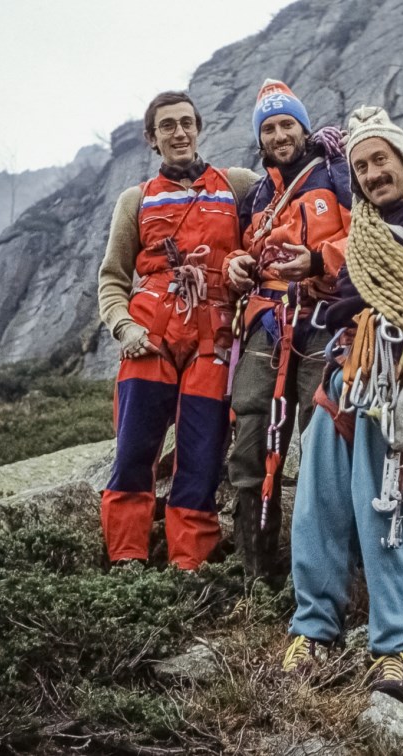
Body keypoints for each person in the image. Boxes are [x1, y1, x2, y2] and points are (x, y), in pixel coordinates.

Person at [281, 106, 403, 700]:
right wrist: (316, 299)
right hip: (345, 375)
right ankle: (313, 630)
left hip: (397, 376)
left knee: (387, 508)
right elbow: (345, 304)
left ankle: (394, 648)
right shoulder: (364, 231)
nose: (371, 174)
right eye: (361, 166)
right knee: (316, 506)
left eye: (381, 160)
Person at [98, 91, 258, 570]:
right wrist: (123, 328)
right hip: (148, 338)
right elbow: (112, 277)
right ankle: (127, 556)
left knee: (202, 453)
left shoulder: (238, 185)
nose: (179, 132)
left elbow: (282, 201)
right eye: (167, 125)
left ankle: (189, 561)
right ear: (152, 138)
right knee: (134, 451)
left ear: (199, 127)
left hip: (215, 338)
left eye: (186, 122)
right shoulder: (136, 199)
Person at [223, 79, 352, 584]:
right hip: (268, 321)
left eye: (286, 124)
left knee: (319, 432)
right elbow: (245, 252)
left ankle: (321, 573)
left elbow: (367, 239)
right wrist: (237, 265)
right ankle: (255, 573)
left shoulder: (338, 176)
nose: (279, 134)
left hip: (322, 315)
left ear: (303, 127)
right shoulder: (256, 195)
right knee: (251, 429)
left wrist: (319, 259)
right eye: (269, 127)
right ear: (260, 139)